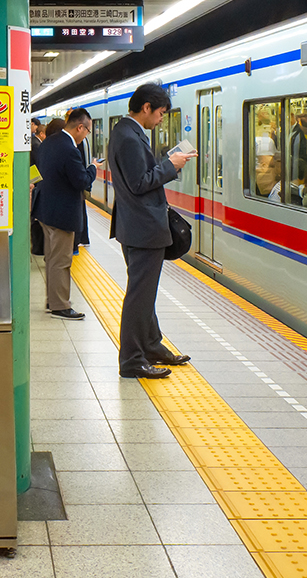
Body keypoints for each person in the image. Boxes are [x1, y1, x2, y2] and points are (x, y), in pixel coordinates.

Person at [106, 83, 196, 379]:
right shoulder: (130, 137)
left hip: (135, 225)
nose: (160, 119)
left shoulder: (125, 132)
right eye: (159, 113)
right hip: (143, 228)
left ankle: (152, 344)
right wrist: (171, 165)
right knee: (139, 296)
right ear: (146, 108)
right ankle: (132, 360)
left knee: (144, 293)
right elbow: (140, 182)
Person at [32, 108, 98, 320]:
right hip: (62, 213)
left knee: (52, 259)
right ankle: (60, 306)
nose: (85, 136)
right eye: (87, 131)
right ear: (80, 127)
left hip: (45, 209)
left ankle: (53, 300)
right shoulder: (70, 149)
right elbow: (82, 181)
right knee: (61, 260)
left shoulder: (49, 142)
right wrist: (93, 168)